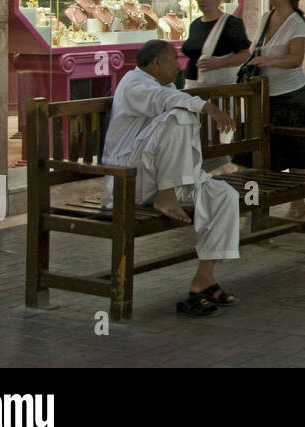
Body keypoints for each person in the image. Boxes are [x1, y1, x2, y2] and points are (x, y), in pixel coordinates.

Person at [102, 40, 239, 317]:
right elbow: (165, 103)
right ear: (156, 64)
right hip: (130, 181)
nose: (178, 67)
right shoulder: (134, 83)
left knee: (225, 197)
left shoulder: (164, 86)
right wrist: (206, 107)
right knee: (179, 116)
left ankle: (204, 280)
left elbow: (170, 108)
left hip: (163, 176)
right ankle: (166, 197)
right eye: (172, 61)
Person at [237, 0, 305, 217]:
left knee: (296, 151)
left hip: (291, 95)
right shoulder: (266, 17)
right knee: (262, 151)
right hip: (265, 95)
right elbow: (255, 50)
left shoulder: (297, 22)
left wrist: (268, 62)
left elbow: (296, 59)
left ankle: (298, 202)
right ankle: (256, 203)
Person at [182, 0, 252, 89]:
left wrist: (219, 62)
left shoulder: (231, 23)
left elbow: (246, 54)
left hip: (219, 88)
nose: (201, 0)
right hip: (193, 84)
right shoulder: (195, 24)